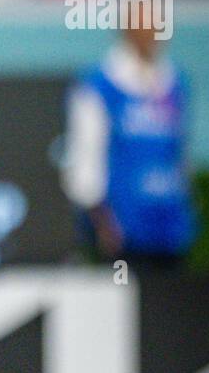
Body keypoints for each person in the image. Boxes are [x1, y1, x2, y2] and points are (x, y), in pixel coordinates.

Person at [62, 17, 197, 268]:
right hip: (122, 230)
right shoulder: (100, 85)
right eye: (144, 22)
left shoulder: (175, 83)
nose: (153, 29)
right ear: (127, 26)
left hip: (170, 229)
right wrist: (101, 220)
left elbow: (180, 154)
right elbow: (85, 156)